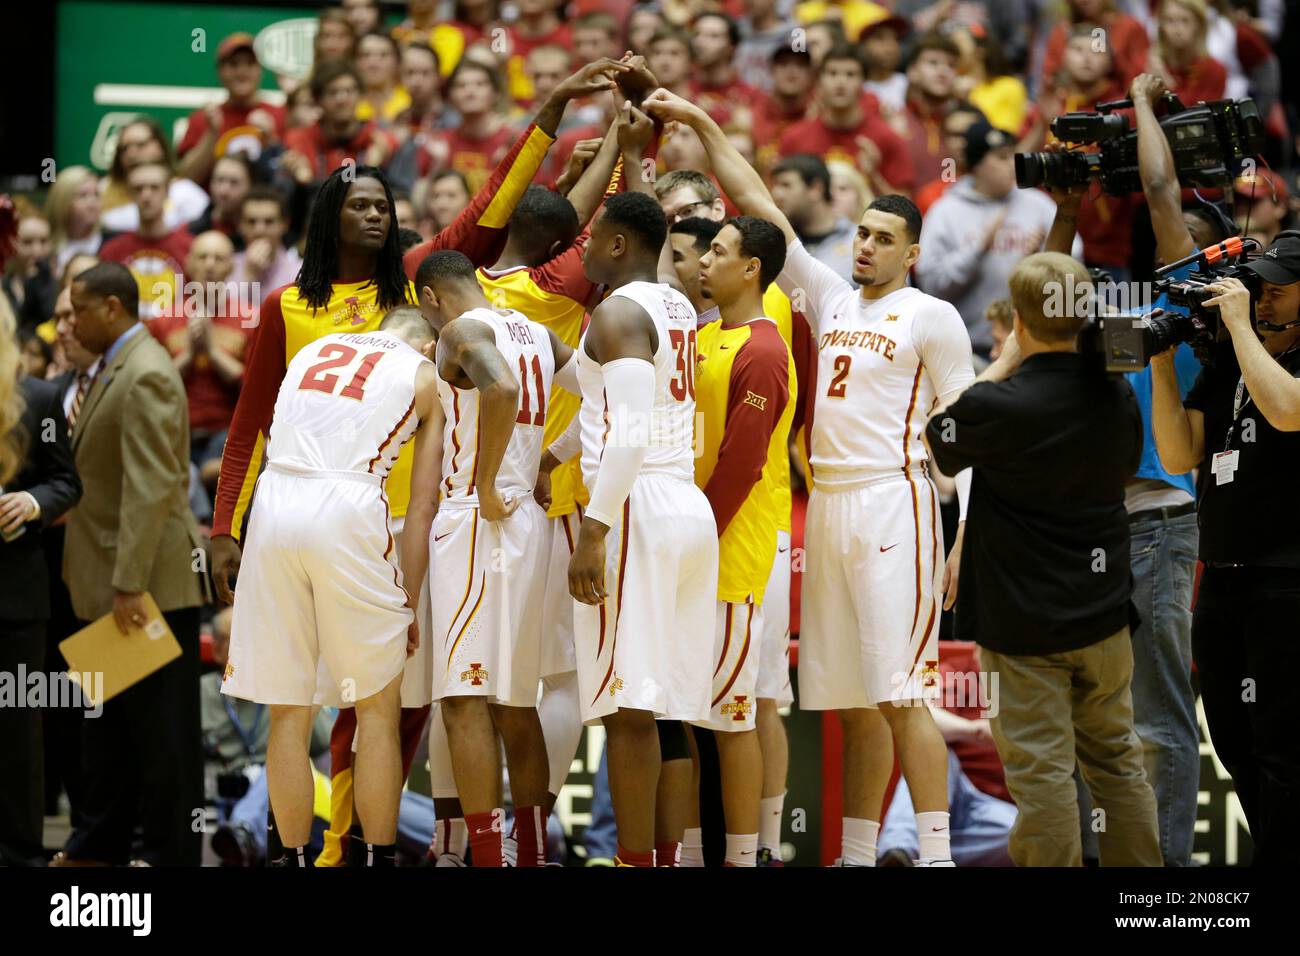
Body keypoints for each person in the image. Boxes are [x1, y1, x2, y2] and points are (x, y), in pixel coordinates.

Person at [646, 85, 975, 868]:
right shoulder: (828, 298)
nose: (864, 246)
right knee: (850, 705)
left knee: (901, 695)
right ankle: (856, 857)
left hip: (899, 501)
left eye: (882, 238)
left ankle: (936, 856)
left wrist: (963, 537)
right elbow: (760, 202)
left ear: (912, 252)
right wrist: (698, 121)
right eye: (860, 233)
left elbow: (971, 434)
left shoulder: (934, 316)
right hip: (827, 506)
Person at [924, 251, 1161, 867]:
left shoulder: (997, 404)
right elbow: (1131, 466)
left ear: (1019, 320)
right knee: (1117, 763)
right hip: (1104, 617)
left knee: (1042, 775)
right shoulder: (1114, 394)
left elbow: (939, 435)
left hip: (1019, 624)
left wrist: (1003, 360)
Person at [221, 309, 441, 867]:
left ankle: (289, 858)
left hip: (274, 506)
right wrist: (407, 604)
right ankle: (377, 859)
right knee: (376, 711)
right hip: (348, 505)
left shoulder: (311, 351)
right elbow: (419, 511)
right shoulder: (423, 373)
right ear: (428, 343)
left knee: (288, 711)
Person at [553, 185, 719, 867]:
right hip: (681, 503)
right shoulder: (675, 302)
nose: (583, 247)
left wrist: (593, 530)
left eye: (591, 238)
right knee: (662, 708)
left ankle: (632, 861)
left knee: (626, 708)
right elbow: (605, 394)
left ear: (619, 245)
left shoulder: (618, 312)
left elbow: (626, 434)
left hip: (635, 507)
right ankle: (663, 860)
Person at [413, 249, 574, 867]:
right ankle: (528, 851)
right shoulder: (537, 331)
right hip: (527, 521)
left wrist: (483, 482)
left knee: (461, 699)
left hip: (477, 517)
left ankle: (485, 854)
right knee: (514, 701)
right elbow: (602, 386)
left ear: (431, 298)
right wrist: (552, 458)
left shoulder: (458, 332)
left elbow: (501, 386)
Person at [1150, 230, 1300, 865]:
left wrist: (1239, 325)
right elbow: (1181, 452)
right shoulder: (1232, 363)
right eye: (1255, 287)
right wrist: (1157, 359)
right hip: (1225, 579)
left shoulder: (1263, 357)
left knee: (1284, 747)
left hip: (1287, 581)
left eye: (1275, 290)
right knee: (1236, 742)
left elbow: (1288, 412)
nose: (1260, 298)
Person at [56, 261, 208, 867]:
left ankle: (173, 859)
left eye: (78, 310)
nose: (68, 323)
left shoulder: (144, 373)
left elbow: (150, 489)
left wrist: (126, 585)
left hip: (147, 590)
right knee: (112, 735)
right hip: (116, 583)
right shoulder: (113, 368)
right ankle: (100, 850)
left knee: (163, 743)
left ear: (112, 308)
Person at [689, 215, 795, 866]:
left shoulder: (762, 349)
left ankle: (744, 855)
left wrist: (694, 537)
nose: (704, 260)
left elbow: (742, 463)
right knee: (694, 718)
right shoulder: (703, 337)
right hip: (695, 549)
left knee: (733, 718)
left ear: (750, 267)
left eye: (718, 252)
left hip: (728, 555)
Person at [0, 316, 82, 867]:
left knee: (15, 733)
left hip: (14, 596)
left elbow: (66, 482)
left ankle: (19, 852)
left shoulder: (38, 396)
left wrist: (30, 504)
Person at [916, 119, 1059, 357]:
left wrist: (1039, 264)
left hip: (1033, 346)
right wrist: (977, 250)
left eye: (1013, 155)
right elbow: (931, 283)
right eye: (1002, 158)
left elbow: (1073, 264)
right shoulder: (945, 212)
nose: (1013, 164)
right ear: (977, 164)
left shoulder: (1039, 205)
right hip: (967, 349)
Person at [148, 231, 250, 492]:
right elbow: (152, 386)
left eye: (218, 258)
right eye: (203, 257)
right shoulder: (163, 320)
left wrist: (213, 352)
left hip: (227, 433)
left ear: (230, 267)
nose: (210, 265)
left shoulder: (250, 319)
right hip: (176, 431)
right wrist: (191, 354)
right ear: (190, 263)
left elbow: (256, 389)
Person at [777, 44, 913, 196]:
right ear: (819, 81)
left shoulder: (886, 138)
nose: (841, 83)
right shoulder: (794, 139)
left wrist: (873, 176)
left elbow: (904, 211)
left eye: (850, 74)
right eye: (832, 73)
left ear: (863, 83)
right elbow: (780, 198)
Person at [175, 33, 287, 188]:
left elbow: (290, 177)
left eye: (249, 64)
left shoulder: (281, 115)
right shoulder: (202, 119)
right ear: (220, 71)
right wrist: (211, 134)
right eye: (233, 64)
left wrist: (271, 140)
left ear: (260, 70)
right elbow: (186, 180)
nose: (242, 72)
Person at [98, 161, 194, 321]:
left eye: (154, 188)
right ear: (129, 194)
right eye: (138, 189)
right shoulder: (111, 251)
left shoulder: (190, 247)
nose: (146, 195)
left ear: (167, 191)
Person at [769, 154, 857, 282]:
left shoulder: (857, 241)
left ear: (816, 189)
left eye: (786, 185)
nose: (776, 194)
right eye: (775, 186)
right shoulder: (775, 243)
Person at [231, 186, 302, 306]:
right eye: (251, 221)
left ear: (284, 224)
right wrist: (249, 275)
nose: (259, 230)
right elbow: (225, 317)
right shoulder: (227, 266)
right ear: (240, 225)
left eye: (269, 222)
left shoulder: (301, 272)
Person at [44, 167, 103, 276]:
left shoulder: (113, 244)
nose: (93, 203)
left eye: (96, 194)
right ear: (62, 201)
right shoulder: (44, 248)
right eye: (83, 195)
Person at [186, 154, 252, 246]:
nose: (224, 191)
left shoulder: (257, 233)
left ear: (250, 186)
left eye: (234, 182)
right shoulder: (191, 231)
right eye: (219, 180)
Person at [668, 218, 723, 317]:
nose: (664, 268)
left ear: (708, 261)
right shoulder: (662, 320)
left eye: (674, 259)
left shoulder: (746, 318)